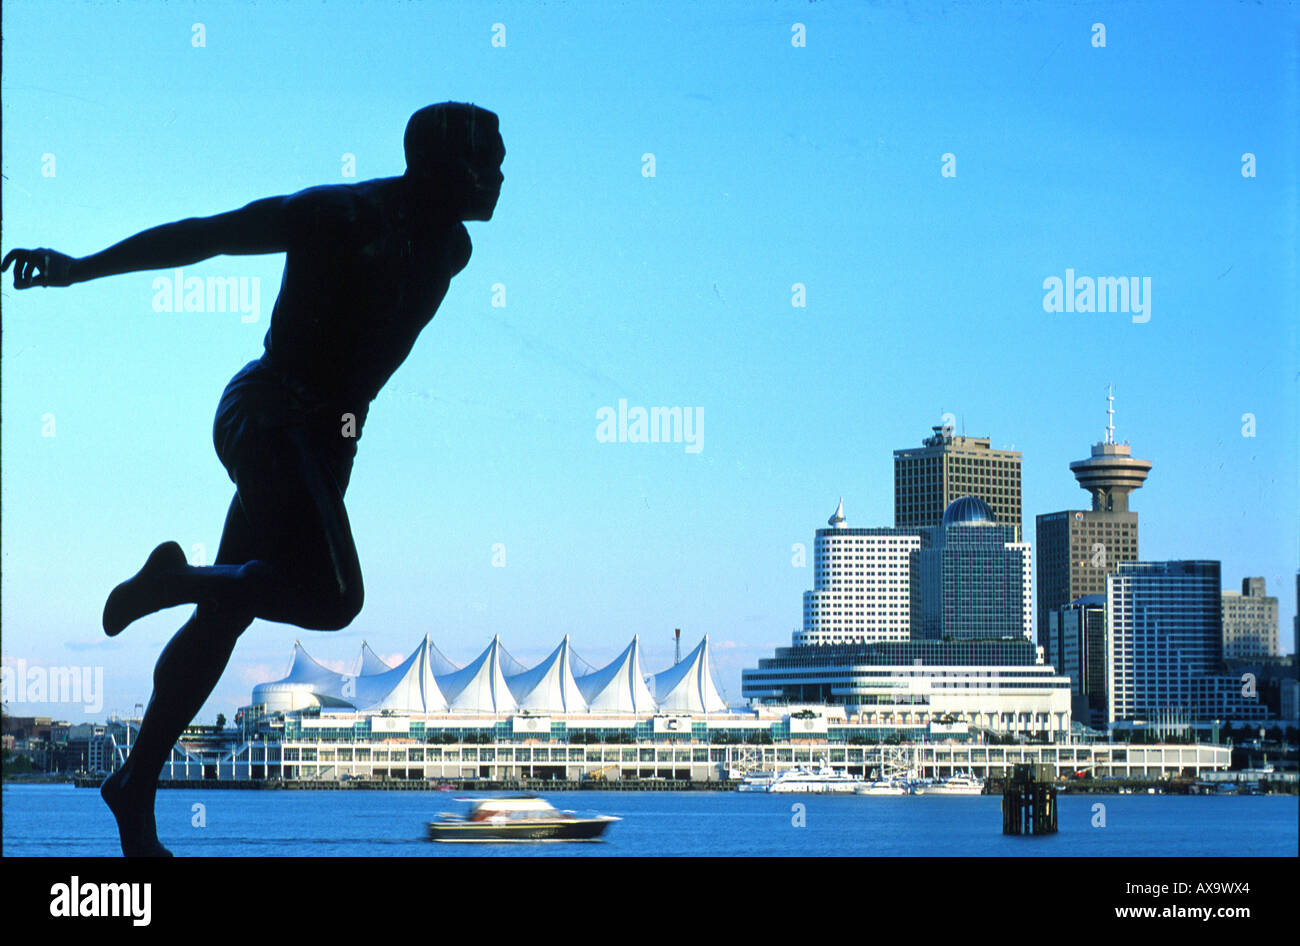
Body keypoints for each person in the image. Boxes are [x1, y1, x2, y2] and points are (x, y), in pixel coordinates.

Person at [2, 102, 505, 856]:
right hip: (268, 412)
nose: (499, 174)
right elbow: (207, 236)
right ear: (434, 165)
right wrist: (77, 269)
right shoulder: (338, 216)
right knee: (335, 599)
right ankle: (174, 580)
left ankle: (134, 785)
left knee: (227, 615)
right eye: (485, 160)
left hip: (330, 440)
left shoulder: (453, 247)